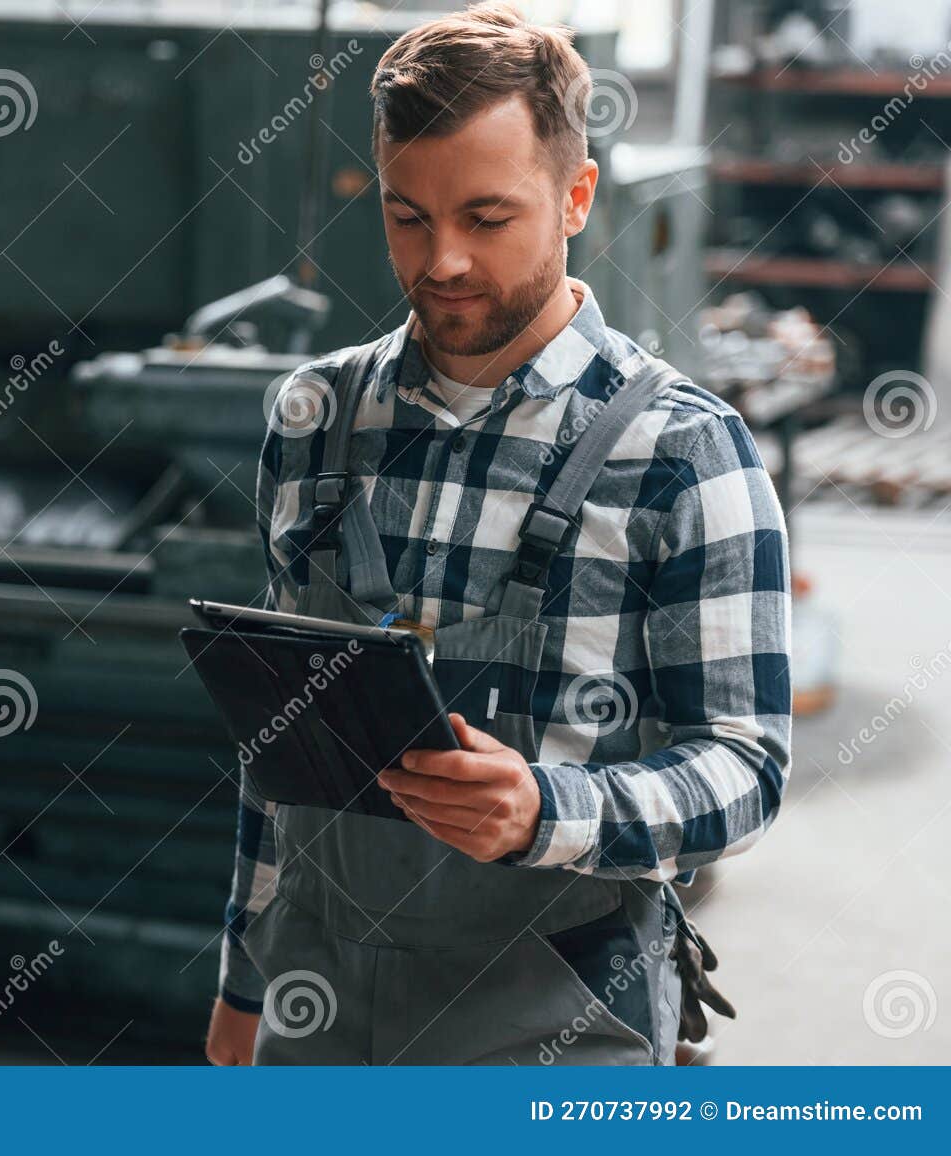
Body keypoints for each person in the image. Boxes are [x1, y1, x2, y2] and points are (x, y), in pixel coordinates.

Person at [206, 0, 791, 1066]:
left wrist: (544, 811)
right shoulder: (314, 418)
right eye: (405, 217)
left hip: (554, 1019)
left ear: (575, 197)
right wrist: (243, 978)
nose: (443, 263)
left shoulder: (682, 451)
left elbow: (745, 772)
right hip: (315, 997)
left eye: (485, 218)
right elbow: (278, 751)